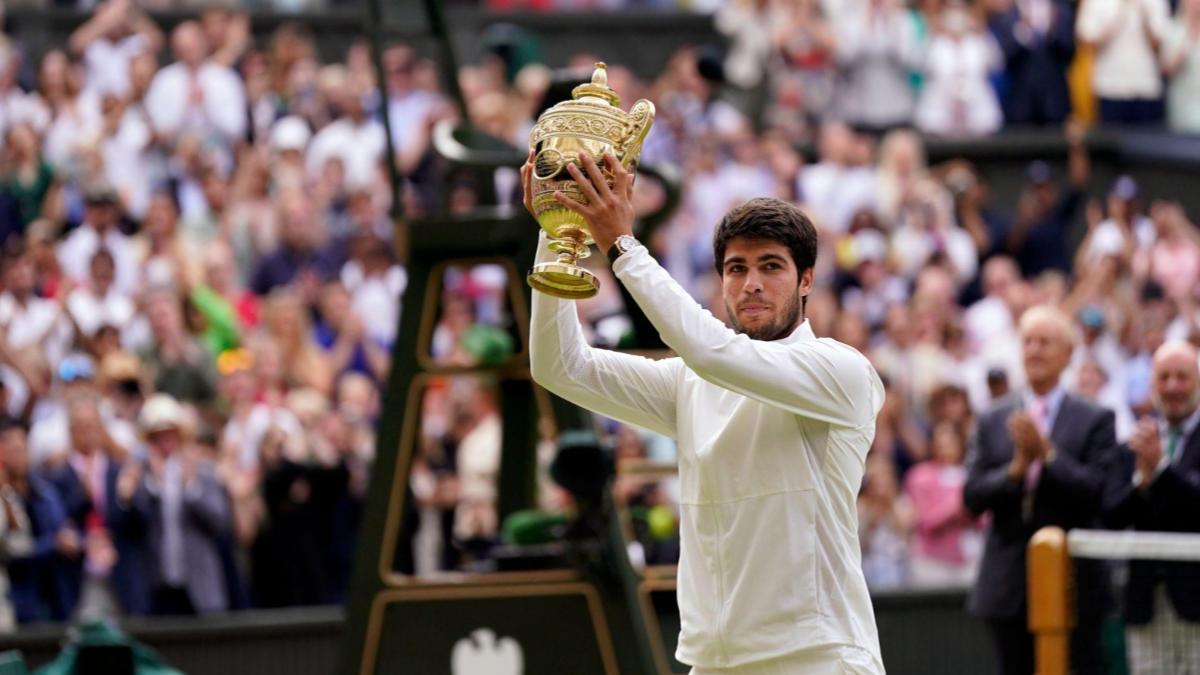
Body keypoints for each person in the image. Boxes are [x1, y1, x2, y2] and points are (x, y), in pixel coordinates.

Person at [523, 150, 885, 673]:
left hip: (821, 658)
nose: (752, 284)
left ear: (806, 281)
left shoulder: (841, 372)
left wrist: (623, 246)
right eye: (736, 269)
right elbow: (559, 366)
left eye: (771, 267)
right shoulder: (692, 381)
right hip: (713, 662)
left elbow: (712, 352)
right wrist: (557, 232)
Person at [964, 305, 1117, 675]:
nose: (1034, 350)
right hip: (1007, 588)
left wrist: (1047, 454)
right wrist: (1015, 472)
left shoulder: (1095, 418)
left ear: (1067, 354)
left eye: (1045, 342)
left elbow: (1100, 494)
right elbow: (972, 497)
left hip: (1075, 586)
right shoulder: (992, 417)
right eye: (1028, 341)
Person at [1103, 341, 1200, 674]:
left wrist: (1160, 470)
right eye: (1164, 377)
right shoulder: (1134, 443)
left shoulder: (1148, 449)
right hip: (1145, 603)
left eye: (1182, 377)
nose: (1172, 386)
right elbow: (1111, 514)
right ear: (1152, 384)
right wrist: (1140, 483)